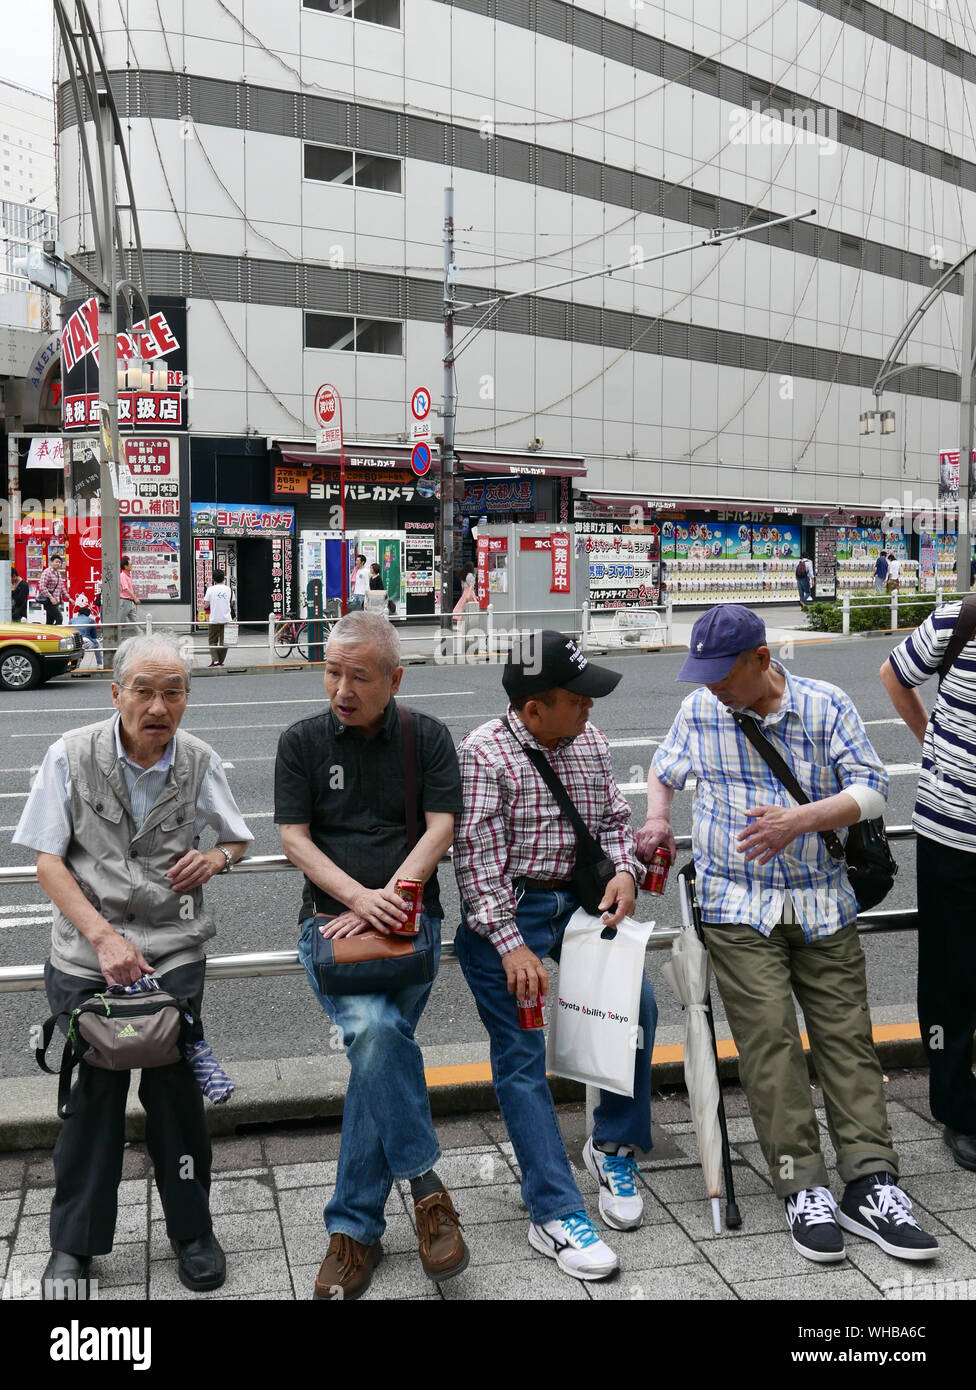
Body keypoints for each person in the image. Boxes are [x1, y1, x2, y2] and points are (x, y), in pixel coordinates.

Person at [639, 604, 938, 1265]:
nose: (710, 686)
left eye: (722, 673)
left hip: (822, 900)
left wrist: (799, 821)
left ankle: (871, 1181)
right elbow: (663, 768)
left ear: (762, 660)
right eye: (703, 674)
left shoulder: (825, 705)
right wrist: (659, 819)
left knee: (846, 1037)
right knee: (769, 1040)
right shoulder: (702, 712)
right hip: (735, 904)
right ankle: (803, 1185)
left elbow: (872, 791)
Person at [12, 632, 253, 1299]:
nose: (157, 705)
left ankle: (192, 1231)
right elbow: (47, 861)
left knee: (175, 1093)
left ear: (186, 699)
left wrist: (219, 858)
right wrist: (103, 938)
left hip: (171, 947)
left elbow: (236, 835)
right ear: (116, 693)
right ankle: (75, 1242)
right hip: (87, 952)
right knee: (94, 1097)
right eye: (143, 690)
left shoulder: (199, 761)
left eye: (172, 691)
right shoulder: (71, 754)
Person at [275, 612, 469, 1300]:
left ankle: (355, 1232)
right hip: (330, 927)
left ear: (394, 678)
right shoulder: (301, 741)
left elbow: (442, 823)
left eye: (359, 675)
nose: (341, 688)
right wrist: (359, 897)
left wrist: (399, 890)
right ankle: (426, 1188)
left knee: (374, 1054)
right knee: (377, 1034)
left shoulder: (427, 737)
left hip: (410, 925)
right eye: (331, 671)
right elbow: (294, 836)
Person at [453, 631, 656, 1282]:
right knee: (521, 1055)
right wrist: (511, 945)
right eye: (579, 700)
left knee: (636, 1004)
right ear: (534, 708)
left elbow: (613, 825)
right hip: (508, 911)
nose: (591, 711)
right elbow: (475, 866)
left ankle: (611, 1145)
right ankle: (554, 1211)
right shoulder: (483, 755)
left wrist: (624, 871)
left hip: (574, 899)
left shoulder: (588, 741)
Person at [881, 604, 976, 1171]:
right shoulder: (958, 621)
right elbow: (895, 674)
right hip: (951, 833)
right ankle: (959, 1112)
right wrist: (932, 742)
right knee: (951, 976)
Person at [202, 568, 235, 668]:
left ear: (213, 579)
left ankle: (215, 661)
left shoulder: (210, 589)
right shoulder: (229, 589)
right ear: (223, 578)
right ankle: (220, 661)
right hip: (227, 619)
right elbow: (232, 603)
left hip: (214, 619)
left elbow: (206, 605)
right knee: (225, 642)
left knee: (212, 641)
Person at [69, 594, 104, 671]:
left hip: (73, 643)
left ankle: (71, 665)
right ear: (88, 615)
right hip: (85, 642)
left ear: (78, 614)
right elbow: (94, 636)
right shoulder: (91, 620)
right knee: (97, 645)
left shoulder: (72, 620)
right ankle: (100, 664)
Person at [37, 553, 68, 625]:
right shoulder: (47, 572)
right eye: (56, 562)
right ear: (52, 562)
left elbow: (61, 587)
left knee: (50, 621)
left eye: (60, 562)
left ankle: (48, 635)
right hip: (49, 601)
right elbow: (42, 586)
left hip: (55, 601)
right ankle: (56, 634)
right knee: (59, 618)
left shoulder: (58, 573)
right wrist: (51, 597)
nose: (58, 564)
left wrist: (68, 598)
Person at [119, 556, 141, 629]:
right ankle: (115, 637)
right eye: (130, 564)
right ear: (125, 566)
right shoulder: (122, 576)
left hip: (129, 601)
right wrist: (135, 598)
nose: (131, 566)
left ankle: (142, 635)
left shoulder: (128, 576)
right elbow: (126, 589)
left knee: (135, 622)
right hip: (125, 601)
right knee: (120, 621)